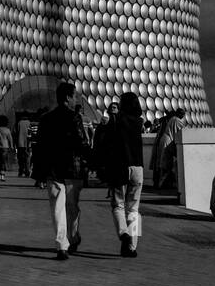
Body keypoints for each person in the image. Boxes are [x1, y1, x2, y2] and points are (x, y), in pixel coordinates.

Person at [31, 81, 89, 261]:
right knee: (72, 208)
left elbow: (39, 147)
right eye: (75, 96)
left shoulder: (46, 119)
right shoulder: (74, 118)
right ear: (67, 98)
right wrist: (91, 161)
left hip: (53, 169)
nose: (76, 100)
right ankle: (72, 238)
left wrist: (39, 173)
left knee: (57, 208)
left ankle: (62, 246)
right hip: (72, 169)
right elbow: (80, 143)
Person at [97, 91, 145, 258]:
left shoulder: (118, 120)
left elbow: (107, 141)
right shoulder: (139, 122)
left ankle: (124, 233)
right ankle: (131, 247)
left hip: (121, 167)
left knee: (118, 204)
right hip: (138, 168)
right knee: (134, 209)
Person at [155, 108, 186, 191]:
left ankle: (162, 183)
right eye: (182, 114)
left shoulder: (172, 119)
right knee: (166, 163)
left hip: (165, 139)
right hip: (168, 141)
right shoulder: (177, 120)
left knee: (164, 162)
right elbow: (184, 130)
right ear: (179, 114)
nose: (183, 116)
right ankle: (162, 184)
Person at [0, 115, 14, 181]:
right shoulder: (7, 130)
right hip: (5, 147)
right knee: (3, 161)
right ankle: (2, 175)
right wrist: (11, 146)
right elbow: (10, 139)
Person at [15, 112, 31, 179]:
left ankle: (21, 171)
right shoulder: (29, 123)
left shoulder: (19, 123)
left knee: (20, 158)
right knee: (27, 157)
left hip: (20, 143)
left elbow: (15, 132)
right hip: (27, 143)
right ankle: (27, 171)